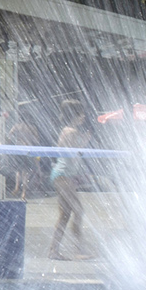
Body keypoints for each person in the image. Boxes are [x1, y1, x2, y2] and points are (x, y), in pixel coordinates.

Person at [49, 100, 94, 260]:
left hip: (61, 175)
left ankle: (53, 251)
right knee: (78, 211)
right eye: (81, 113)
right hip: (63, 176)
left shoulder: (67, 130)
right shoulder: (71, 132)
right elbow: (71, 154)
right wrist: (83, 143)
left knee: (65, 215)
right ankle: (79, 250)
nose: (83, 116)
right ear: (75, 115)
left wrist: (83, 141)